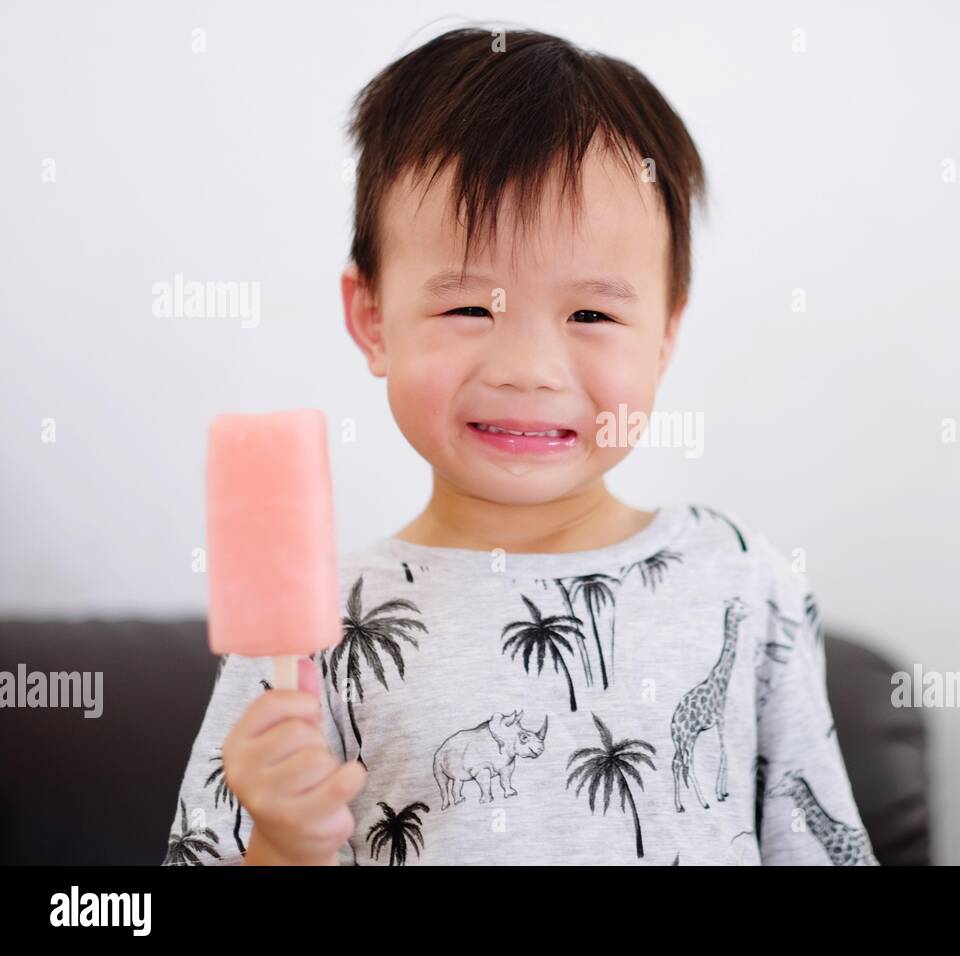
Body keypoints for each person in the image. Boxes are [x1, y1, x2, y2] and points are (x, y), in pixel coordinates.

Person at [163, 24, 877, 866]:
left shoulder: (746, 582)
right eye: (470, 308)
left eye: (592, 315)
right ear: (371, 319)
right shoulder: (306, 638)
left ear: (666, 335)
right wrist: (281, 843)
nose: (530, 370)